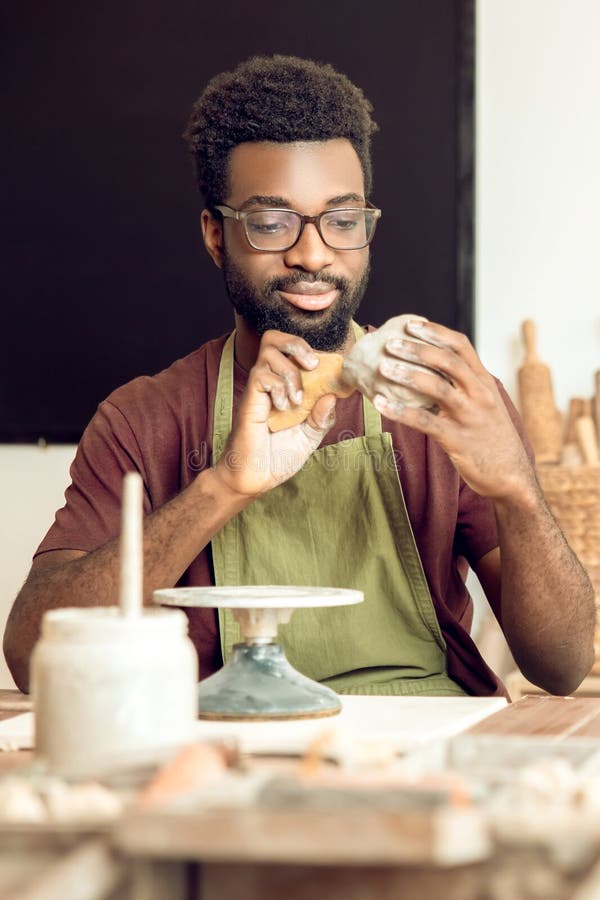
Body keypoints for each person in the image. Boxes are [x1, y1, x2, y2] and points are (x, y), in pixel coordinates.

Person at [4, 55, 595, 697]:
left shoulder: (445, 403)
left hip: (425, 742)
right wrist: (222, 488)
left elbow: (562, 667)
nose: (313, 254)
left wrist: (517, 491)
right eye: (270, 223)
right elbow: (34, 660)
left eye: (342, 221)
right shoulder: (145, 419)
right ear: (214, 234)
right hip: (222, 751)